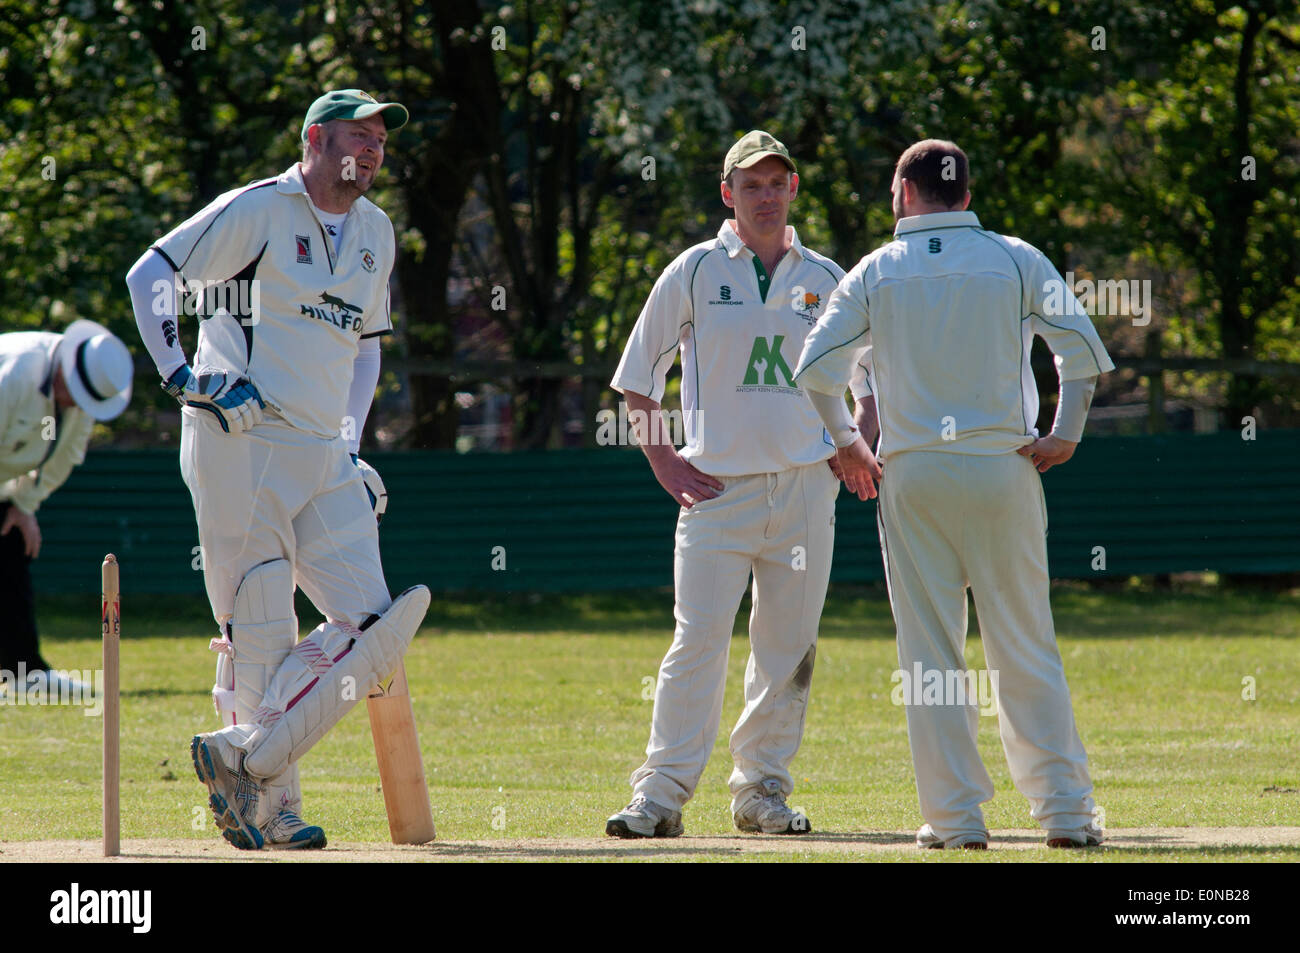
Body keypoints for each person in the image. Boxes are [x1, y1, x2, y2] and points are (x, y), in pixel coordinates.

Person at [125, 89, 430, 851]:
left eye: (381, 142)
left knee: (376, 627)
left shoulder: (376, 230)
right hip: (242, 441)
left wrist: (352, 444)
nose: (372, 152)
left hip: (324, 453)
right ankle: (273, 807)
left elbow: (366, 343)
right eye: (358, 136)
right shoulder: (259, 208)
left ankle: (244, 757)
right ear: (315, 140)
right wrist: (182, 376)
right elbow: (149, 276)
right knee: (261, 628)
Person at [793, 139, 1113, 849]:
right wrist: (1066, 432)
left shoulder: (876, 270)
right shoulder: (1016, 257)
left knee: (931, 656)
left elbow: (815, 369)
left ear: (902, 194)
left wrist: (846, 442)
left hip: (914, 472)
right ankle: (1064, 813)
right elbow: (1082, 354)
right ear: (964, 194)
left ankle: (956, 818)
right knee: (1026, 641)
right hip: (1004, 462)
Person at [605, 130, 867, 838]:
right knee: (696, 644)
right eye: (751, 184)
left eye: (777, 182)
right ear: (728, 193)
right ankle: (659, 795)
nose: (766, 195)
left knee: (788, 645)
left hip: (807, 488)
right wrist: (665, 463)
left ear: (793, 190)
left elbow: (869, 379)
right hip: (715, 490)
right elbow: (637, 384)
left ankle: (762, 792)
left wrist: (854, 447)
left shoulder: (828, 276)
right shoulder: (693, 271)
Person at [0, 321, 133, 695]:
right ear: (65, 367)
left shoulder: (82, 395)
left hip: (4, 483)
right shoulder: (13, 372)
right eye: (71, 391)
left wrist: (23, 505)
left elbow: (63, 457)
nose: (73, 403)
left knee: (12, 546)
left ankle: (24, 673)